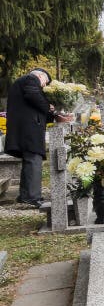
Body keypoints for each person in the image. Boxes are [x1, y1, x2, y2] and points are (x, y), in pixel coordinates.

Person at [5, 68, 65, 207]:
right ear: (40, 75)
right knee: (34, 160)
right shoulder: (31, 79)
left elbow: (36, 106)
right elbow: (33, 96)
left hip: (26, 128)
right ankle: (32, 197)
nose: (44, 86)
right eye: (45, 82)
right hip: (29, 128)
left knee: (29, 161)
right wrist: (49, 107)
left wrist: (53, 115)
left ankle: (25, 196)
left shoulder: (23, 82)